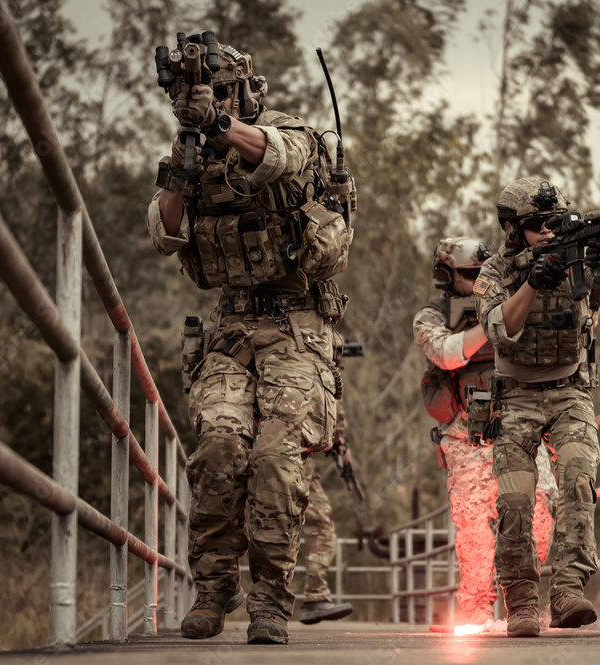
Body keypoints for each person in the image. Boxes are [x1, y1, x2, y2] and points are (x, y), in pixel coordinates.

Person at [146, 40, 355, 644]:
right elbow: (163, 234)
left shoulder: (289, 131)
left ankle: (271, 601)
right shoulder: (187, 152)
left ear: (245, 90)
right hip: (231, 327)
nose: (214, 98)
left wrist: (219, 124)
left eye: (224, 89)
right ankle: (213, 589)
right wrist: (185, 163)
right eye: (204, 91)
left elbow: (278, 159)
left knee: (276, 460)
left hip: (297, 327)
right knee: (216, 449)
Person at [473, 177, 600, 637]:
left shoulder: (576, 256)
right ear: (514, 229)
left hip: (570, 390)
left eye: (555, 222)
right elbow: (500, 328)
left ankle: (566, 590)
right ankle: (522, 602)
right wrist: (532, 282)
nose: (548, 231)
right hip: (516, 395)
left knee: (579, 478)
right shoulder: (495, 272)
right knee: (516, 501)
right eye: (537, 224)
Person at [413, 237, 557, 627]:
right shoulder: (433, 315)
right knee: (474, 525)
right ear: (447, 276)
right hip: (466, 432)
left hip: (520, 420)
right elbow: (444, 352)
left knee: (542, 509)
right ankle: (477, 610)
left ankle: (517, 597)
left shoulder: (511, 300)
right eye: (467, 275)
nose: (477, 281)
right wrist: (493, 326)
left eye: (482, 274)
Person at [297, 404, 354, 625]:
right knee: (319, 528)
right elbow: (331, 414)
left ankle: (218, 595)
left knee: (269, 526)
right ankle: (312, 597)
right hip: (295, 461)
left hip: (246, 450)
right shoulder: (320, 369)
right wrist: (337, 442)